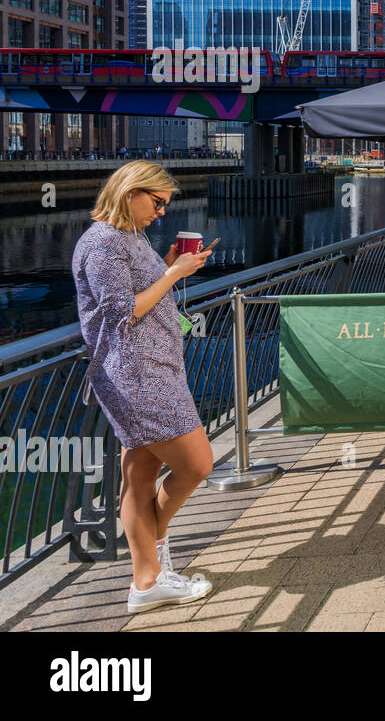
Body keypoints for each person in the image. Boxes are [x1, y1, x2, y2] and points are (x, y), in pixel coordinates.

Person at [72, 161, 215, 614]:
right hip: (135, 376)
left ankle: (147, 579)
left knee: (139, 476)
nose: (161, 213)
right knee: (197, 465)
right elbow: (121, 313)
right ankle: (153, 559)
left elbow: (139, 295)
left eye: (164, 206)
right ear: (130, 191)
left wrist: (169, 263)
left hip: (153, 368)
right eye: (156, 203)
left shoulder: (128, 238)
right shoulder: (103, 244)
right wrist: (174, 274)